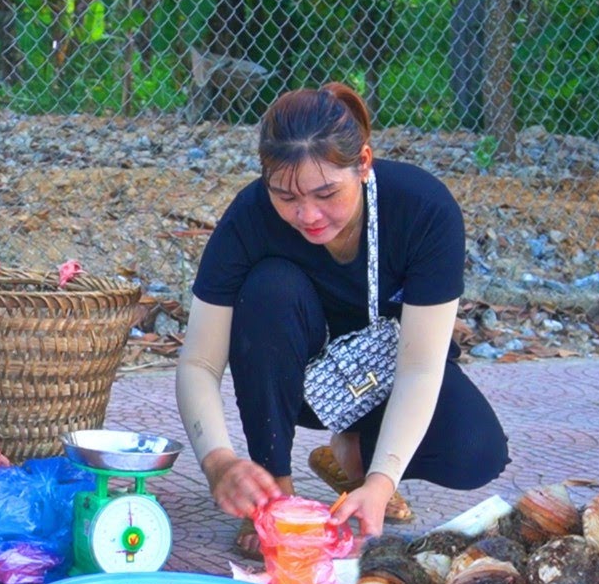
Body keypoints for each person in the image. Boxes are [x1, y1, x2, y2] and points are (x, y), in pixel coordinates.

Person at [175, 82, 510, 551]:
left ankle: (354, 454)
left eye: (326, 193)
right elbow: (198, 364)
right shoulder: (249, 218)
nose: (307, 214)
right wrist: (217, 462)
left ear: (364, 164)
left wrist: (382, 481)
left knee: (476, 452)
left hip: (383, 376)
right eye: (286, 196)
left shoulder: (423, 210)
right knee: (269, 288)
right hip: (297, 382)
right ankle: (274, 497)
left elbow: (420, 368)